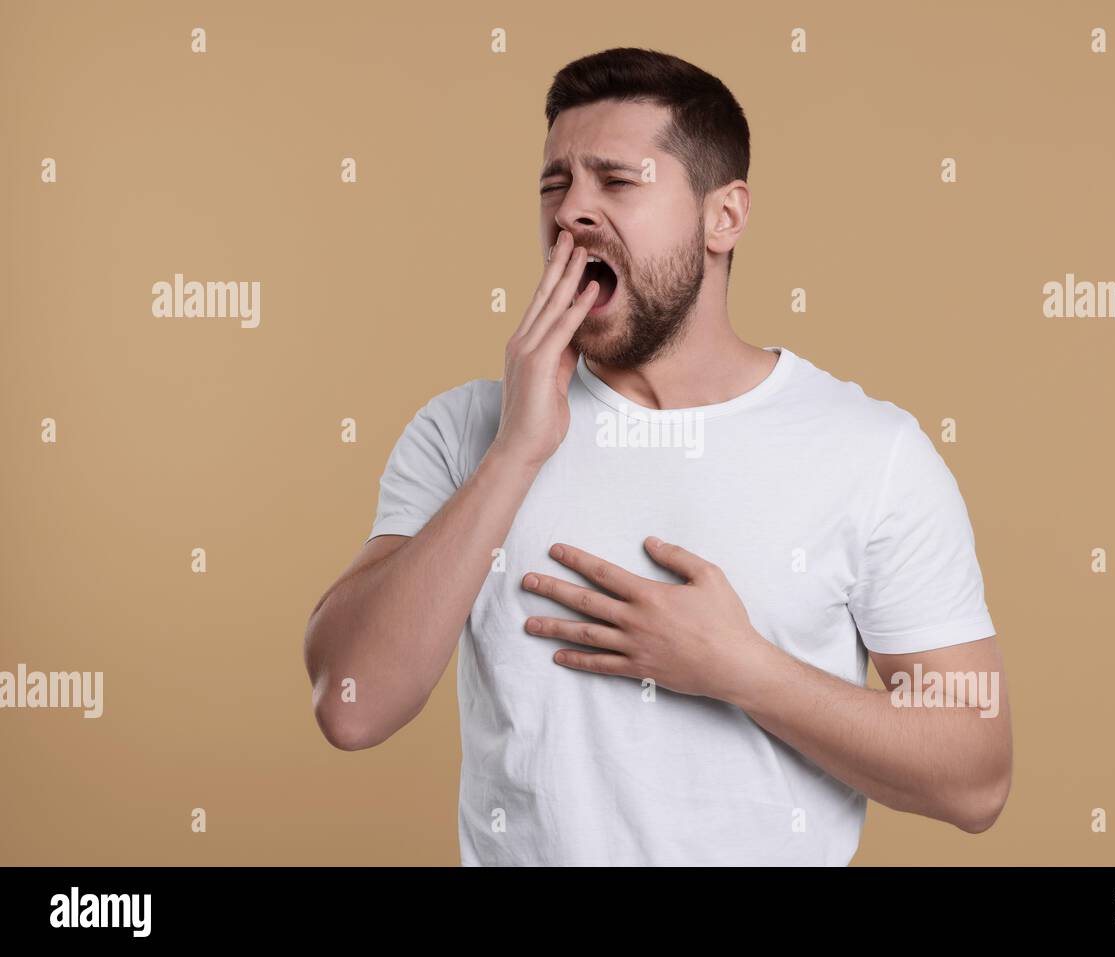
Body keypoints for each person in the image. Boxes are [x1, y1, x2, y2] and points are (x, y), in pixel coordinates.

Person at [303, 47, 1012, 866]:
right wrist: (516, 453)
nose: (572, 211)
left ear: (725, 217)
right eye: (554, 184)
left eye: (617, 180)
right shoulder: (467, 429)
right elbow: (350, 706)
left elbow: (975, 775)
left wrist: (742, 670)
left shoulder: (872, 451)